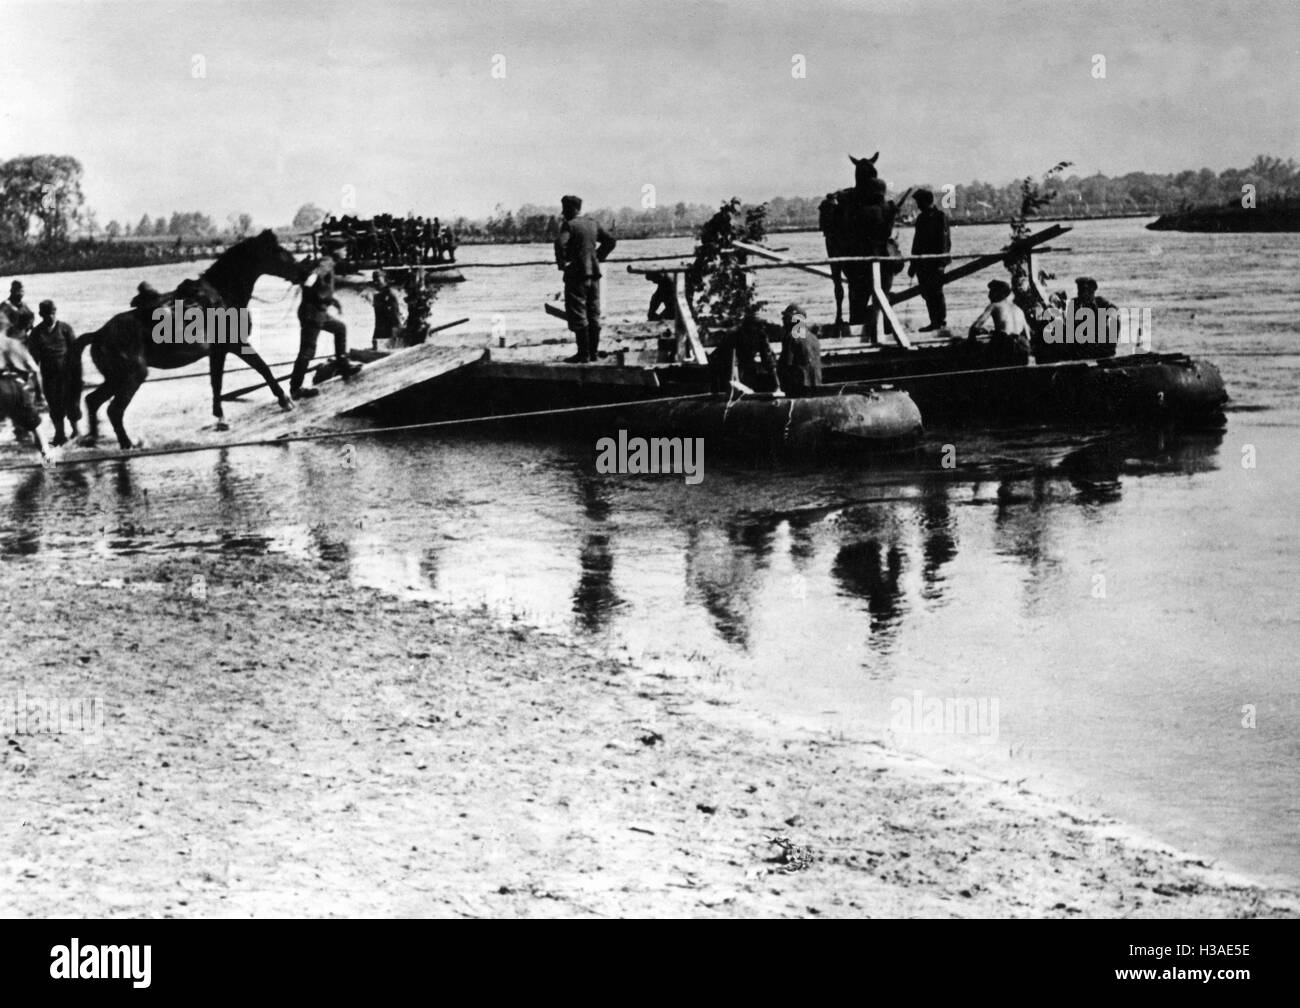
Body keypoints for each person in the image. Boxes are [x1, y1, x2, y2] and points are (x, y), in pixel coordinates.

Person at [554, 194, 616, 363]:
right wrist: (598, 257)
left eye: (565, 209)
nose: (563, 213)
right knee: (593, 313)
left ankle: (583, 354)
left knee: (578, 313)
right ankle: (593, 354)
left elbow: (560, 243)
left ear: (571, 209)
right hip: (594, 275)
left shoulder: (570, 225)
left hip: (577, 275)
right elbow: (610, 241)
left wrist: (562, 264)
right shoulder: (592, 223)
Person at [291, 254, 360, 400]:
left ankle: (343, 365)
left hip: (318, 313)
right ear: (337, 250)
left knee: (340, 328)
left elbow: (321, 289)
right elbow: (315, 276)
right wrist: (309, 281)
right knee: (307, 351)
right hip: (313, 314)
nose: (346, 251)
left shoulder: (328, 262)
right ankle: (296, 388)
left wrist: (334, 301)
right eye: (344, 249)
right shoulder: (327, 262)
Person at [28, 300, 82, 446]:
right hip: (49, 376)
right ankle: (60, 434)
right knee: (55, 405)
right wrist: (34, 382)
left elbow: (75, 353)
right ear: (41, 315)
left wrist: (78, 376)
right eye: (47, 314)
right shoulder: (36, 333)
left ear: (55, 312)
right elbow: (33, 360)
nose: (50, 316)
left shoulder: (65, 329)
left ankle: (76, 432)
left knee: (72, 403)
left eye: (52, 313)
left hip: (68, 375)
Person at [908, 190, 951, 331]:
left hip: (935, 263)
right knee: (926, 293)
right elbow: (917, 242)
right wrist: (913, 265)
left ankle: (941, 322)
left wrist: (941, 263)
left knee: (936, 292)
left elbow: (944, 242)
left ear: (926, 201)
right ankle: (934, 322)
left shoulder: (940, 217)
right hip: (922, 263)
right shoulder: (921, 218)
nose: (918, 205)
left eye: (919, 202)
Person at [969, 279, 1031, 363]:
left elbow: (975, 326)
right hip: (1021, 347)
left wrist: (971, 342)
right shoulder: (1018, 309)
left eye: (991, 292)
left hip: (1005, 345)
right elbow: (1028, 335)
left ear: (998, 293)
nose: (989, 296)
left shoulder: (994, 305)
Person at [708, 323, 781, 395]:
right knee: (730, 384)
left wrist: (777, 384)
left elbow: (768, 359)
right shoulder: (734, 335)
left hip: (745, 361)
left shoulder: (761, 334)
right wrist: (737, 384)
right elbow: (732, 359)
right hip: (721, 362)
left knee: (750, 377)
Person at [817, 192, 847, 335]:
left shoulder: (826, 208)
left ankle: (839, 315)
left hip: (832, 243)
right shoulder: (838, 208)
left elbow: (823, 228)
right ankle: (842, 316)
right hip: (842, 243)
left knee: (837, 281)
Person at [1070, 276, 1121, 358]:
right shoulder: (1075, 303)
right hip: (1083, 346)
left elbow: (1114, 310)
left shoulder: (1099, 301)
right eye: (1081, 291)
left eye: (1088, 292)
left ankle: (1109, 351)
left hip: (1100, 343)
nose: (1083, 294)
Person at [777, 303, 821, 393]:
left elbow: (786, 364)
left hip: (798, 386)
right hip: (816, 384)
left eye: (786, 318)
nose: (783, 320)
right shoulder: (814, 338)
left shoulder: (791, 337)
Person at [370, 270, 405, 349]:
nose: (375, 283)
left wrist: (395, 337)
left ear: (385, 280)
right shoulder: (377, 297)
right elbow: (378, 321)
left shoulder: (390, 295)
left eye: (378, 280)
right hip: (380, 333)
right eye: (374, 280)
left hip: (389, 334)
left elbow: (395, 318)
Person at [0, 281, 35, 345]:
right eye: (17, 291)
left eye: (22, 291)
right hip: (10, 341)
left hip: (23, 339)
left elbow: (30, 321)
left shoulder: (24, 305)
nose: (20, 293)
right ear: (12, 291)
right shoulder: (5, 305)